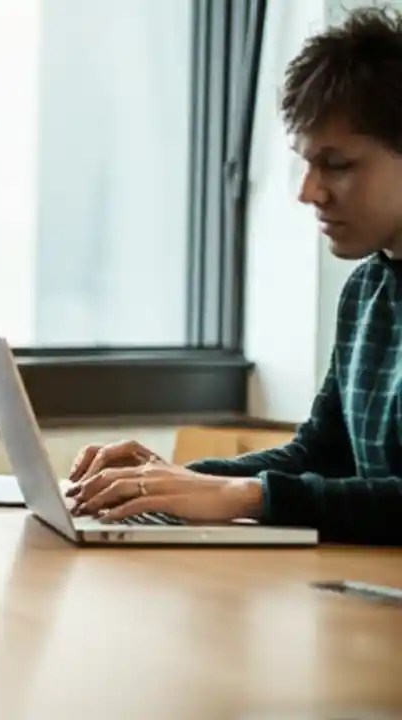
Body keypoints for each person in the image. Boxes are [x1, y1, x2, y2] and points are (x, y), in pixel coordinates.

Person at [65, 7, 402, 546]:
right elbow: (321, 454)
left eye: (337, 165)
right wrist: (175, 481)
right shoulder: (367, 289)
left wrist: (250, 496)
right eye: (306, 164)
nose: (309, 191)